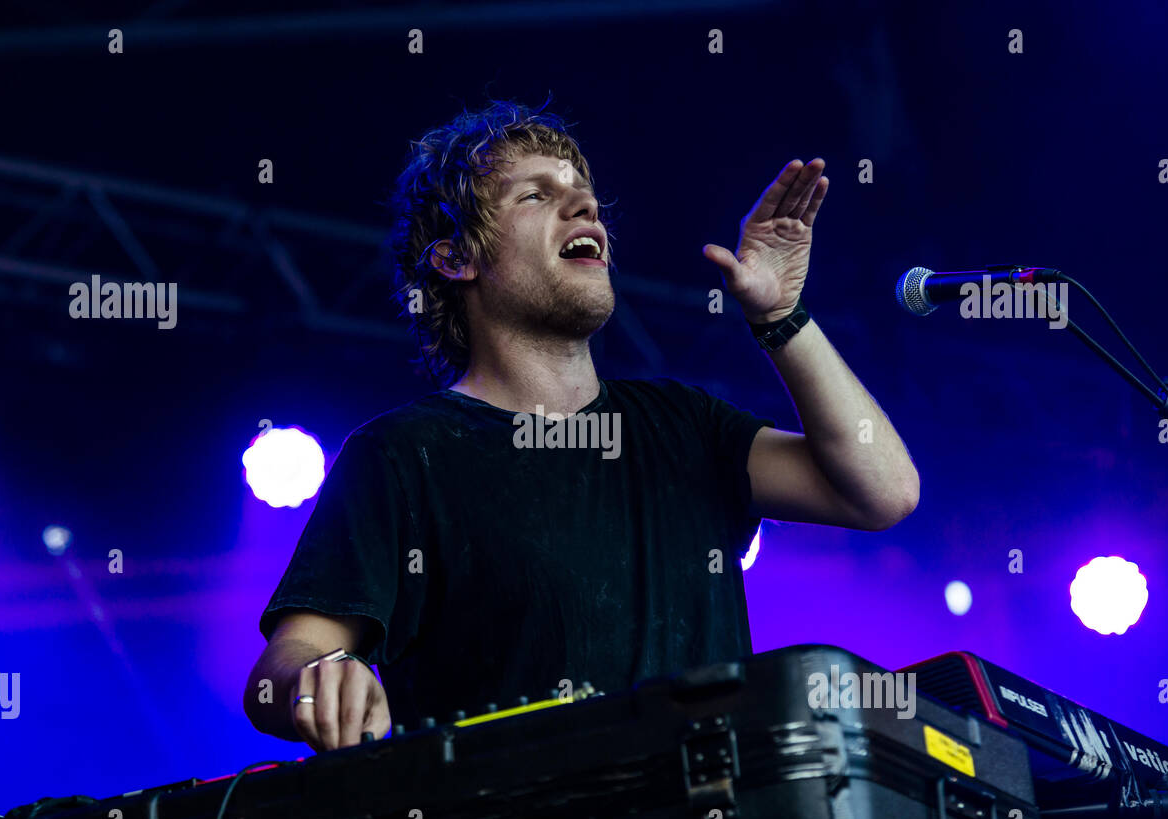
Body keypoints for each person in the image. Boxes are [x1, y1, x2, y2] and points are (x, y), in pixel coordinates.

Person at [243, 100, 918, 752]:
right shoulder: (402, 455)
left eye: (583, 191)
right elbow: (280, 670)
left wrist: (781, 316)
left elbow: (883, 491)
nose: (584, 204)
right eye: (535, 195)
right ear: (455, 259)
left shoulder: (683, 424)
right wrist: (316, 681)